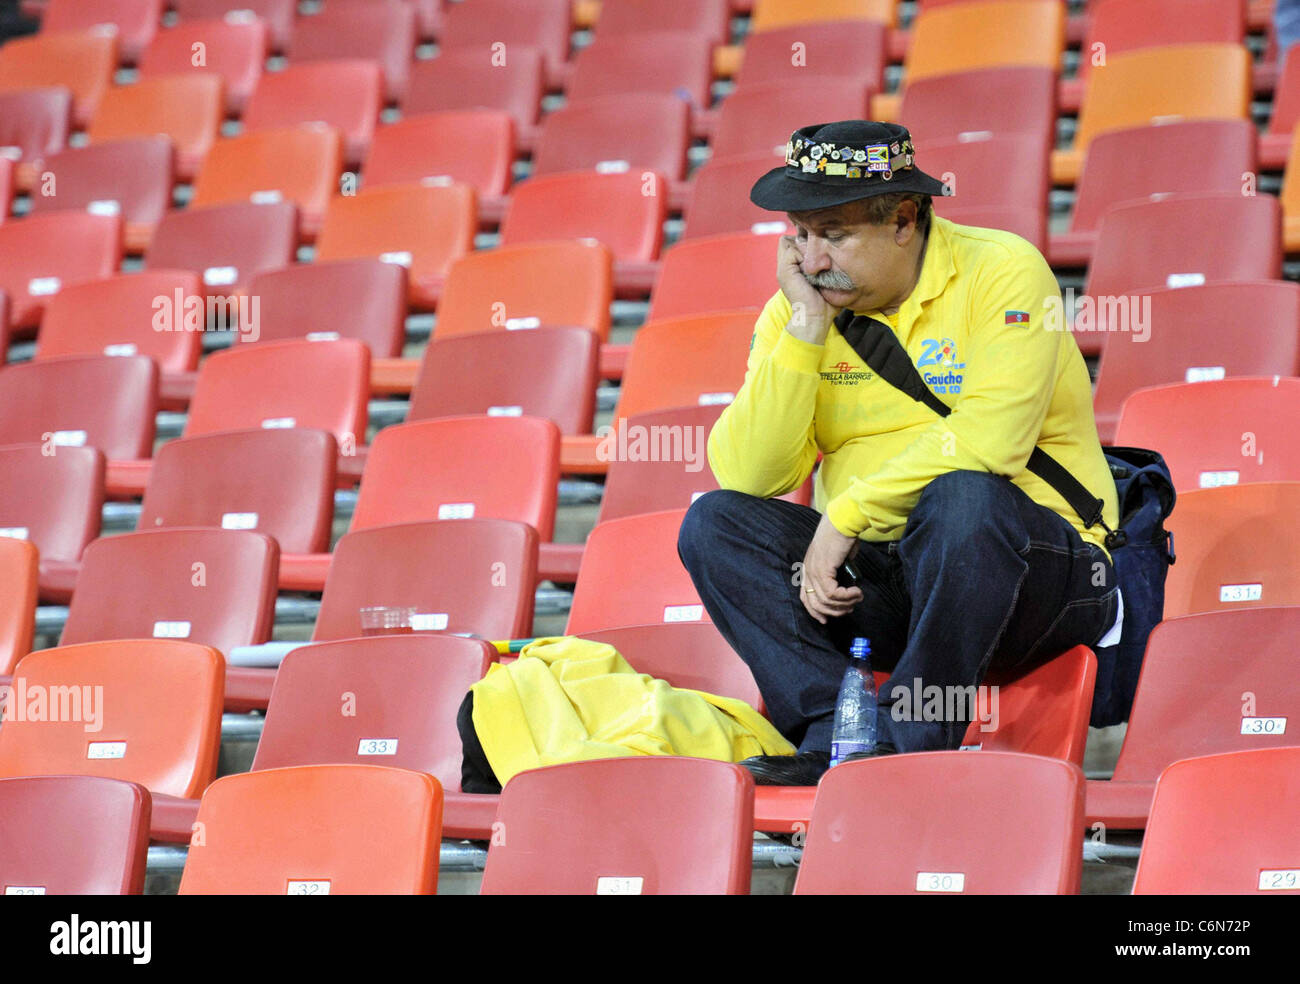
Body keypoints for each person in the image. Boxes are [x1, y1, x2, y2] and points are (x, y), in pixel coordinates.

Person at [677, 120, 1122, 785]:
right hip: (897, 581)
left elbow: (990, 444)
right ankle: (839, 733)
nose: (813, 259)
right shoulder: (798, 310)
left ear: (906, 221)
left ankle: (909, 746)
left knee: (963, 498)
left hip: (1040, 576)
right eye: (798, 235)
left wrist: (848, 514)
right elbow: (749, 476)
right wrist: (802, 330)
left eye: (834, 235)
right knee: (715, 522)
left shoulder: (1003, 270)